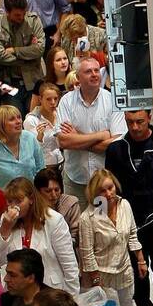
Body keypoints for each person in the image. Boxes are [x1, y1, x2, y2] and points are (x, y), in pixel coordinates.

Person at [78, 167, 143, 306]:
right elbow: (87, 252)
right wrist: (95, 280)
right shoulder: (89, 217)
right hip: (101, 274)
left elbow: (132, 234)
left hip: (124, 268)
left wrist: (140, 260)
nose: (108, 194)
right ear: (94, 194)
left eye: (110, 188)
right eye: (102, 191)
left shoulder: (125, 205)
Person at [105, 108, 153, 306]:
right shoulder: (116, 150)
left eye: (140, 121)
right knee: (136, 272)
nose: (135, 127)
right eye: (130, 122)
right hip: (130, 221)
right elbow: (109, 188)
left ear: (150, 117)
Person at [0, 176, 79, 297]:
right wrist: (5, 230)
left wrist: (72, 299)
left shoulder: (54, 220)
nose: (13, 207)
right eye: (10, 201)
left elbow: (69, 265)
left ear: (31, 199)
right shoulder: (6, 221)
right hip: (17, 294)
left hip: (49, 292)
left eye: (18, 201)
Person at [56, 57, 126, 209]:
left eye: (96, 70)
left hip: (104, 183)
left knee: (101, 224)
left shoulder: (112, 100)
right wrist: (101, 135)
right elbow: (64, 142)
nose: (94, 74)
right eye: (88, 71)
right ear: (78, 77)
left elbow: (115, 145)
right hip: (75, 179)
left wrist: (77, 137)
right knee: (77, 226)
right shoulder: (66, 101)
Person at [0, 0, 45, 115]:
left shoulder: (33, 21)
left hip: (33, 81)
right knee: (14, 121)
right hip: (9, 83)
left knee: (34, 120)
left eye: (23, 13)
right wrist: (29, 57)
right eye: (17, 15)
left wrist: (14, 50)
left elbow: (40, 49)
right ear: (7, 12)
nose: (21, 17)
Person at [34, 167, 80, 251]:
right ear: (38, 192)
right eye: (48, 191)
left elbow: (76, 236)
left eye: (57, 190)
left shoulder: (71, 203)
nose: (54, 195)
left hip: (67, 249)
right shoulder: (33, 207)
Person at [24, 81, 64, 169]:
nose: (53, 102)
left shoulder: (61, 113)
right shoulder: (31, 120)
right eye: (48, 99)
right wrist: (39, 137)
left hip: (62, 162)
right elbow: (31, 149)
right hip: (43, 167)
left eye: (55, 98)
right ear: (40, 99)